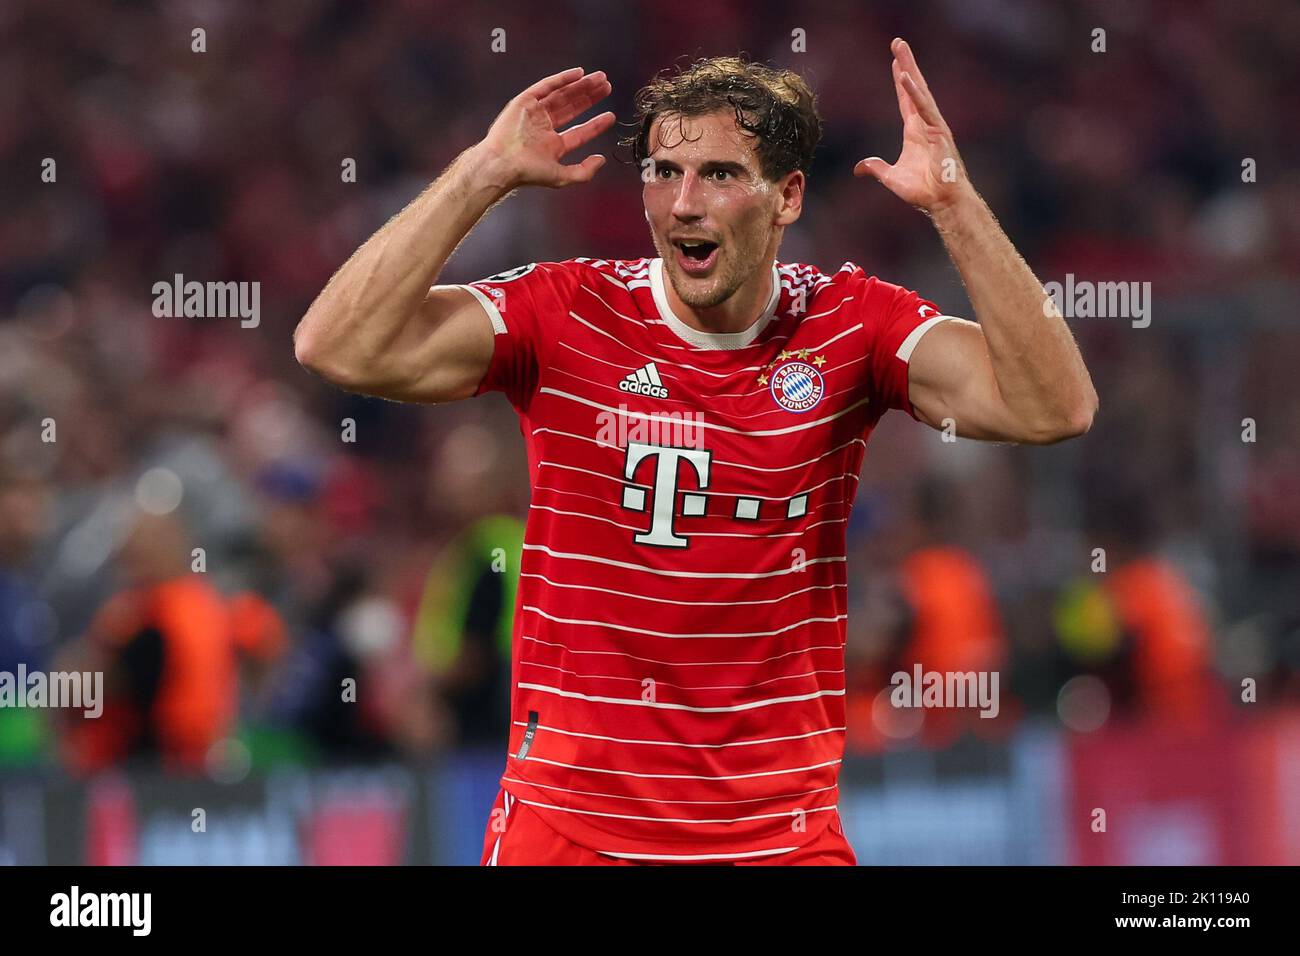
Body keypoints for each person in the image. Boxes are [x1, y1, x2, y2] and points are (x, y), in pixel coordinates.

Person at [294, 39, 1097, 865]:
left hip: (779, 839)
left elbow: (1055, 407)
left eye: (718, 174)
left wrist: (955, 205)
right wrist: (479, 177)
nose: (683, 203)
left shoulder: (851, 326)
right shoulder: (566, 314)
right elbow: (335, 346)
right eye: (660, 172)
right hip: (570, 832)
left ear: (785, 196)